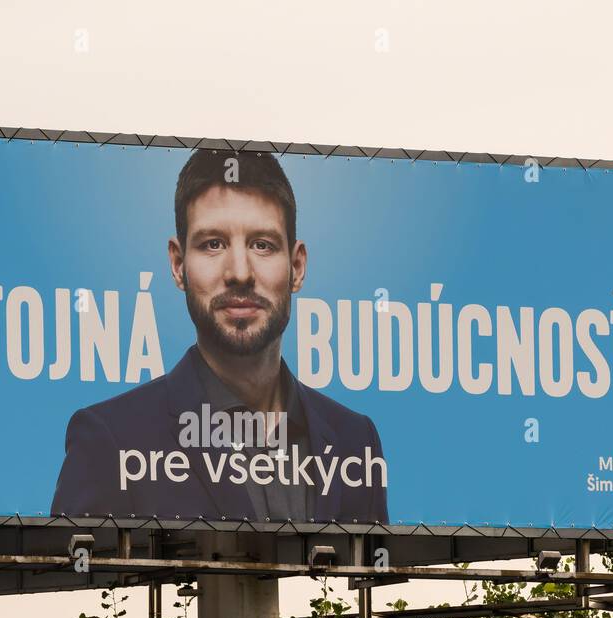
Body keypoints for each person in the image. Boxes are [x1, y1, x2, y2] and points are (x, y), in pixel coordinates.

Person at [50, 148, 388, 524]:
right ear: (178, 265)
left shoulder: (355, 441)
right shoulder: (111, 441)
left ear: (296, 266)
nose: (240, 272)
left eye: (262, 245)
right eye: (213, 244)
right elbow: (72, 582)